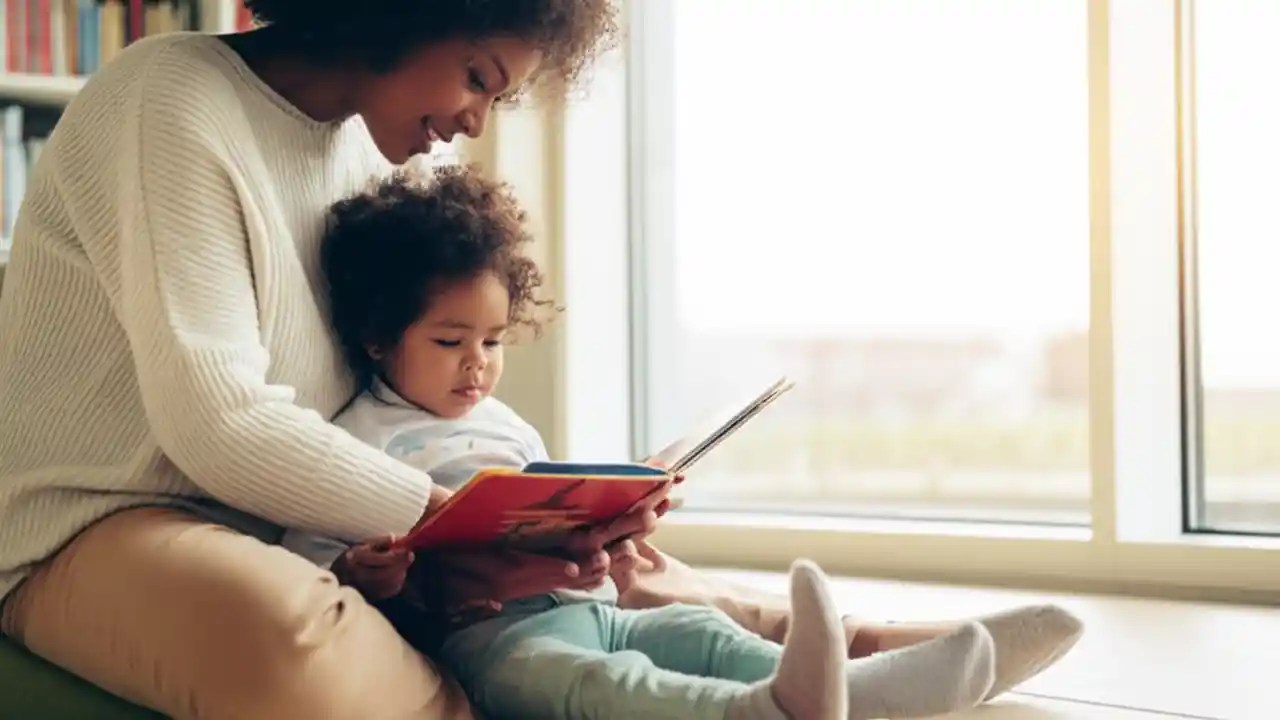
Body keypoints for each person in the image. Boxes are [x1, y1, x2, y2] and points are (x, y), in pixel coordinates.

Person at [0, 2, 1080, 718]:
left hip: (314, 516)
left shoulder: (349, 153)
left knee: (596, 557)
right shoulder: (169, 100)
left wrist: (516, 522)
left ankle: (844, 650)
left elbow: (366, 407)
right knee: (285, 631)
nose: (472, 118)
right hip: (99, 520)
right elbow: (219, 422)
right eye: (478, 75)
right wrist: (446, 521)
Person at [280, 165, 1000, 720]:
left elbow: (553, 505)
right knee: (600, 686)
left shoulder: (504, 425)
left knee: (700, 633)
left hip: (591, 606)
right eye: (449, 341)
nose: (478, 363)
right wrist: (357, 570)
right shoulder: (353, 442)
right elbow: (309, 571)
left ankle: (858, 689)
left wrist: (618, 512)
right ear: (377, 336)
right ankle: (752, 713)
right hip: (497, 642)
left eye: (494, 340)